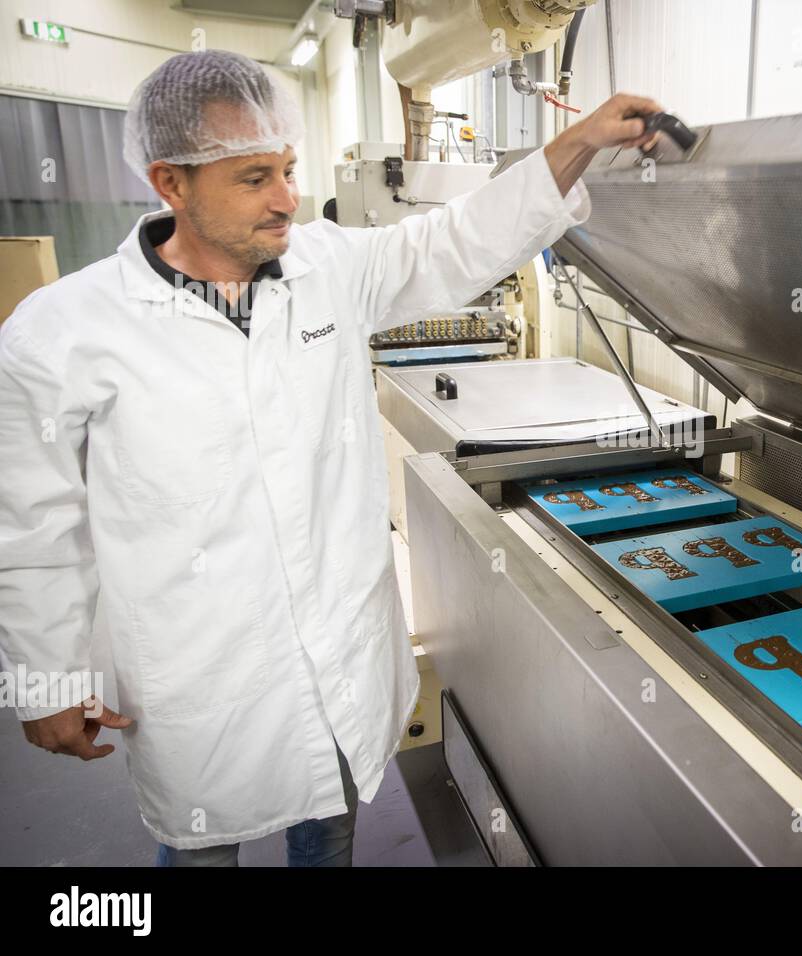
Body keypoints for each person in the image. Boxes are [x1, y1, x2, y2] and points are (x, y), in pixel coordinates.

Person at [0, 49, 661, 866]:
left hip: (340, 661)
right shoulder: (62, 331)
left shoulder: (325, 266)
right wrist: (47, 682)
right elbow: (33, 528)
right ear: (170, 185)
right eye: (253, 178)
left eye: (287, 168)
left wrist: (579, 142)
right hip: (200, 684)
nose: (287, 199)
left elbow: (451, 243)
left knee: (332, 835)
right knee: (206, 851)